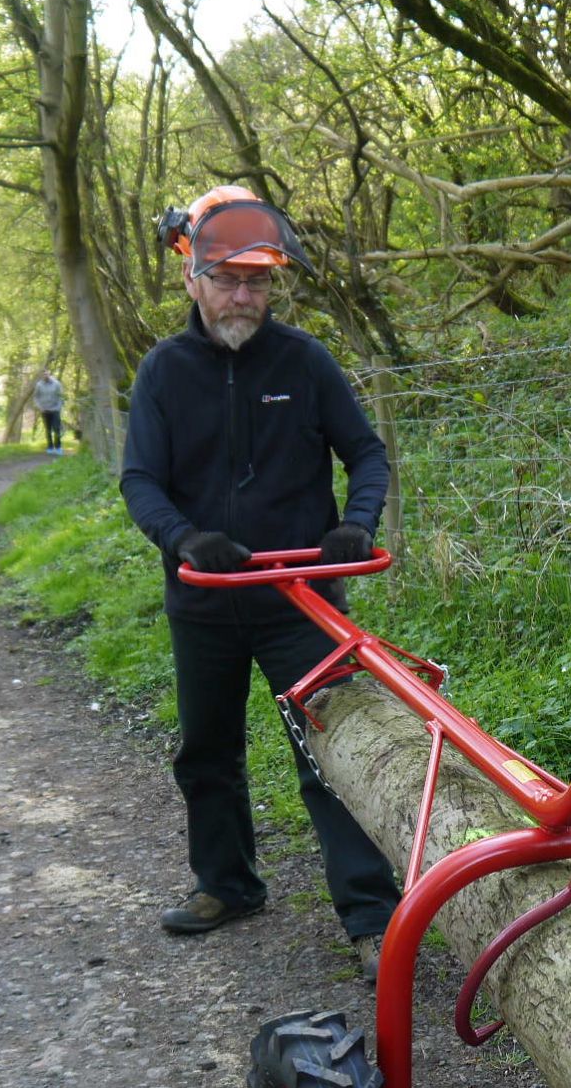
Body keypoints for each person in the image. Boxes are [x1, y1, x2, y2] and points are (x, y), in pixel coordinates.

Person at [118, 185, 399, 981]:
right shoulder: (164, 372)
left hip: (300, 602)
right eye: (229, 279)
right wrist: (186, 539)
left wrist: (357, 524)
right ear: (193, 279)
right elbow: (140, 480)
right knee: (207, 751)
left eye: (259, 281)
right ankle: (227, 885)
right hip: (204, 601)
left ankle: (373, 920)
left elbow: (367, 454)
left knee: (334, 755)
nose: (244, 295)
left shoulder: (305, 363)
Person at [33, 371, 64, 454]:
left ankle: (58, 447)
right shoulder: (39, 385)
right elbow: (36, 397)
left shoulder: (57, 384)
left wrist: (58, 408)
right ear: (42, 376)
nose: (45, 376)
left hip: (55, 410)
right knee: (48, 429)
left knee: (56, 428)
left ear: (50, 375)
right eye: (43, 374)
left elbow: (61, 397)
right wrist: (40, 407)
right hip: (44, 410)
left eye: (47, 374)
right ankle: (50, 447)